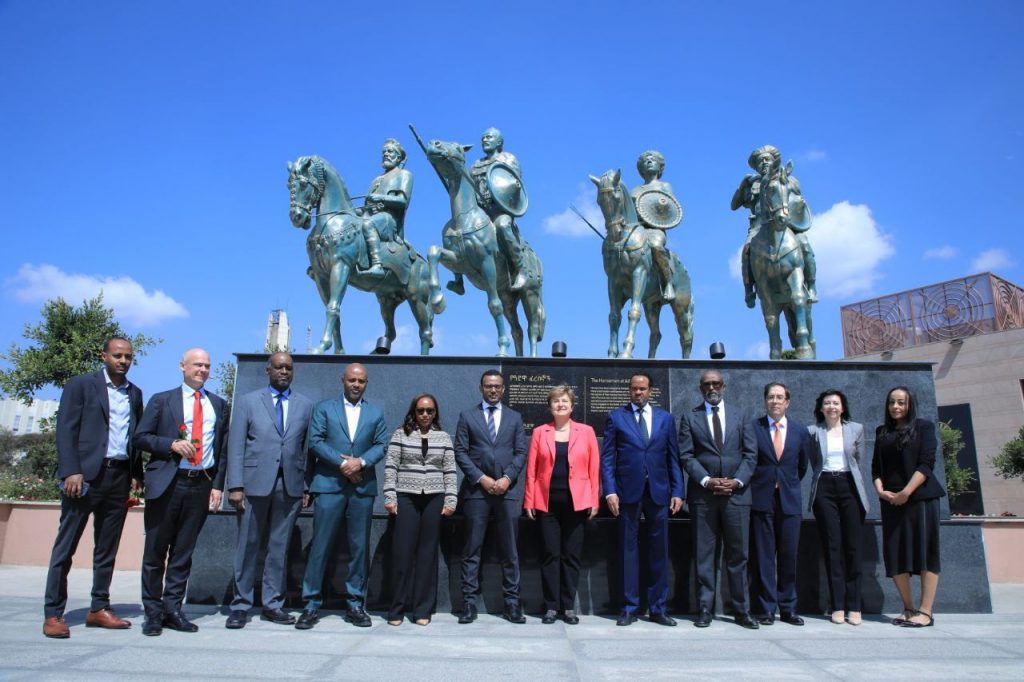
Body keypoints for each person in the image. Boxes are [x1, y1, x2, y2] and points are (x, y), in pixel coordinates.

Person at [42, 337, 144, 639]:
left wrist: (135, 473)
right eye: (117, 356)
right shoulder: (81, 385)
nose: (123, 361)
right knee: (66, 547)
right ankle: (53, 613)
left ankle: (99, 606)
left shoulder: (134, 393)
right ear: (104, 356)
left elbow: (133, 436)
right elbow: (66, 429)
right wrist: (70, 470)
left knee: (107, 549)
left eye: (128, 357)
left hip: (118, 477)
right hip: (83, 478)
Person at [134, 348, 228, 636]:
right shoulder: (162, 400)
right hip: (167, 484)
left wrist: (217, 485)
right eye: (197, 364)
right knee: (156, 551)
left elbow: (222, 450)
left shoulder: (219, 404)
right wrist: (171, 444)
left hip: (199, 484)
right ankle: (152, 612)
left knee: (183, 553)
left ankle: (173, 609)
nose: (202, 369)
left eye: (207, 365)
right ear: (182, 366)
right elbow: (140, 437)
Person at [223, 352, 314, 629]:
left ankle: (273, 603)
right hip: (253, 485)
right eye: (279, 367)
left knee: (279, 548)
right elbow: (235, 445)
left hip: (289, 487)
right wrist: (235, 485)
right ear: (268, 370)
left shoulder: (305, 405)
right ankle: (240, 605)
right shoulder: (248, 402)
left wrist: (306, 485)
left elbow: (306, 449)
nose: (284, 372)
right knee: (248, 546)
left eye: (288, 368)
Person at [296, 362, 388, 630]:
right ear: (343, 380)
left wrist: (360, 462)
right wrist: (343, 464)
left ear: (366, 383)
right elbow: (315, 441)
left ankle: (355, 603)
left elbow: (381, 444)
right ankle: (311, 604)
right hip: (329, 486)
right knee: (321, 545)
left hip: (362, 488)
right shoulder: (324, 408)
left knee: (359, 548)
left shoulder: (375, 412)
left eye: (361, 381)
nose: (356, 385)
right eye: (352, 380)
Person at [677, 369, 759, 629]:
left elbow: (750, 455)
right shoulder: (690, 417)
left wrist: (737, 481)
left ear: (724, 386)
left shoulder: (742, 415)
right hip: (704, 496)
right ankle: (704, 608)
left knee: (739, 555)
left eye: (716, 383)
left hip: (737, 495)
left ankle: (742, 610)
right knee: (704, 555)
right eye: (706, 385)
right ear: (700, 388)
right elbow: (686, 455)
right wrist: (706, 480)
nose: (712, 388)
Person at [601, 372, 684, 626]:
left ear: (651, 391)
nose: (638, 392)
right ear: (629, 390)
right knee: (628, 549)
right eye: (634, 388)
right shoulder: (616, 417)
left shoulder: (665, 419)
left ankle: (658, 608)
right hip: (627, 492)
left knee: (659, 551)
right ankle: (629, 606)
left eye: (643, 388)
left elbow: (673, 458)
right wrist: (610, 490)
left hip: (659, 493)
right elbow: (607, 458)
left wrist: (678, 491)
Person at [454, 369, 528, 624]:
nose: (493, 390)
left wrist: (507, 478)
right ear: (481, 388)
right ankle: (468, 603)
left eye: (497, 386)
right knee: (472, 549)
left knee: (510, 551)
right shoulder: (467, 416)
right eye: (488, 386)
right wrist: (482, 478)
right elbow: (461, 452)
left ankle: (512, 603)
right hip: (476, 492)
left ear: (504, 389)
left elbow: (520, 452)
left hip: (507, 493)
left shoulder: (515, 417)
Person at [523, 386, 600, 625]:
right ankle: (550, 607)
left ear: (572, 405)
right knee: (550, 555)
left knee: (571, 556)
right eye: (556, 401)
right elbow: (532, 470)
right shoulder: (540, 432)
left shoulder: (586, 432)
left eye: (564, 401)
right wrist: (529, 500)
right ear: (550, 406)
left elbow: (594, 469)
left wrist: (594, 499)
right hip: (547, 502)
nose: (560, 405)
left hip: (577, 502)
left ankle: (567, 607)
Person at [872, 386, 945, 628]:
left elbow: (926, 464)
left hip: (920, 498)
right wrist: (881, 490)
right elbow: (876, 468)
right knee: (895, 555)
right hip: (891, 501)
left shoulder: (923, 427)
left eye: (901, 402)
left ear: (909, 404)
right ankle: (908, 607)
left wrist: (906, 492)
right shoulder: (882, 432)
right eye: (892, 402)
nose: (896, 407)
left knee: (925, 553)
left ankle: (926, 611)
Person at [382, 394, 457, 626]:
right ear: (413, 412)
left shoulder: (443, 437)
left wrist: (451, 499)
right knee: (402, 554)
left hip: (434, 499)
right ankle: (397, 609)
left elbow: (450, 470)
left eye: (430, 411)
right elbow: (391, 466)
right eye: (421, 410)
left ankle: (422, 609)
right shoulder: (400, 434)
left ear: (436, 413)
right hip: (406, 498)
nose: (425, 415)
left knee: (427, 555)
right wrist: (389, 495)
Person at [750, 382, 811, 626]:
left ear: (787, 402)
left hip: (789, 501)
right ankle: (766, 608)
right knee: (764, 558)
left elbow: (803, 465)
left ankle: (788, 608)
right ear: (765, 401)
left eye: (779, 397)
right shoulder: (754, 428)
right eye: (771, 397)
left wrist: (785, 483)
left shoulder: (799, 431)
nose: (775, 401)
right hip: (762, 500)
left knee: (788, 557)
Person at [808, 389, 869, 626]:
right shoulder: (813, 432)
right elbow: (814, 462)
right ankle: (838, 605)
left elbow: (858, 460)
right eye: (827, 403)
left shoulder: (856, 429)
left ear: (842, 407)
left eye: (836, 403)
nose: (832, 406)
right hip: (824, 486)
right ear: (821, 408)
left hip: (849, 486)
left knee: (853, 548)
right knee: (832, 547)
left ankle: (855, 606)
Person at [731, 144, 817, 307]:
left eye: (766, 159)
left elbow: (798, 204)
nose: (763, 162)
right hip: (758, 227)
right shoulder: (752, 184)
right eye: (759, 161)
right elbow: (734, 205)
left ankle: (812, 286)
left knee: (804, 244)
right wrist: (743, 186)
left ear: (774, 161)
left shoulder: (787, 179)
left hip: (785, 223)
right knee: (747, 250)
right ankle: (749, 289)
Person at [450, 126, 527, 293]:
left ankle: (521, 270)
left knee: (502, 226)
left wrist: (498, 196)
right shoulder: (476, 164)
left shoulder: (508, 159)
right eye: (483, 137)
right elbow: (468, 187)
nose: (485, 140)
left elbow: (514, 184)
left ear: (499, 142)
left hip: (499, 209)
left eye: (489, 137)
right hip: (480, 210)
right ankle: (458, 280)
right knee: (454, 229)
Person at [358, 138, 413, 276]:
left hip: (390, 220)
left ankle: (377, 264)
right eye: (384, 152)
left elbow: (402, 201)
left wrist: (381, 198)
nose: (386, 154)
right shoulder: (376, 180)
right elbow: (366, 207)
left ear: (398, 157)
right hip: (372, 216)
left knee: (368, 224)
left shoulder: (404, 175)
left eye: (390, 151)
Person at [630, 150, 678, 300]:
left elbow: (671, 207)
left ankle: (668, 283)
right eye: (645, 160)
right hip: (637, 229)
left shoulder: (664, 186)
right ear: (641, 169)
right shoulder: (635, 190)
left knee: (656, 246)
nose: (649, 161)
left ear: (660, 167)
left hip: (655, 229)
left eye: (652, 159)